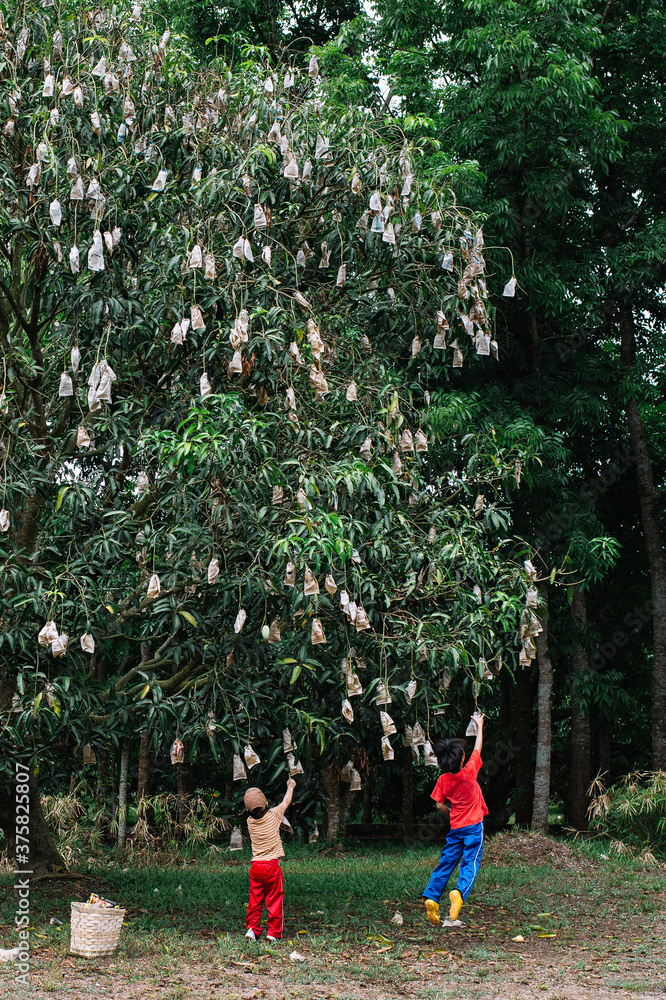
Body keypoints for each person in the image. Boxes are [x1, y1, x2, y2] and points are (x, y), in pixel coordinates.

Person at [422, 714, 488, 926]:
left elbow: (439, 805)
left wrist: (452, 811)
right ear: (461, 759)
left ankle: (432, 898)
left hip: (455, 828)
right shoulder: (469, 772)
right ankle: (458, 894)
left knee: (446, 863)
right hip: (473, 828)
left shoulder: (443, 780)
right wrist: (479, 725)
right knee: (470, 863)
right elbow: (478, 747)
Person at [244, 778, 296, 942]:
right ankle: (273, 933)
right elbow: (286, 801)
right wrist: (290, 786)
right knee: (274, 899)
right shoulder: (274, 815)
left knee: (255, 900)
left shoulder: (250, 822)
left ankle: (252, 931)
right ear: (266, 804)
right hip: (272, 866)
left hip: (256, 866)